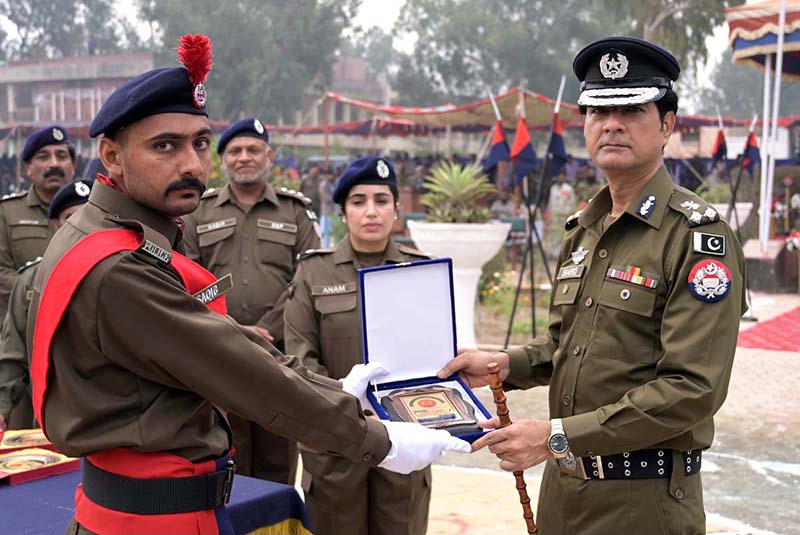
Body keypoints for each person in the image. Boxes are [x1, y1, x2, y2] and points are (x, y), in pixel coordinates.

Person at [28, 34, 469, 535]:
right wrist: (379, 439)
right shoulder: (119, 266)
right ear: (110, 155)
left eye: (198, 142)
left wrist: (334, 388)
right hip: (152, 519)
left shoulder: (107, 234)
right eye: (164, 146)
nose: (193, 164)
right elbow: (236, 367)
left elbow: (229, 340)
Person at [439, 36, 746, 535]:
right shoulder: (586, 229)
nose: (611, 124)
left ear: (667, 125)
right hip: (565, 494)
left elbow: (692, 390)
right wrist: (500, 364)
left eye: (632, 110)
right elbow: (566, 346)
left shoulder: (695, 237)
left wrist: (555, 437)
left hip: (642, 502)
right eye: (598, 110)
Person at [285, 157, 433, 535]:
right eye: (358, 201)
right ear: (342, 212)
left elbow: (434, 359)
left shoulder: (421, 272)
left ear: (397, 211)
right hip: (334, 440)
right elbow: (301, 359)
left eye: (382, 200)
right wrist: (348, 409)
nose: (371, 211)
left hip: (401, 438)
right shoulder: (313, 272)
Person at [182, 117, 320, 485]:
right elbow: (188, 277)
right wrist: (232, 328)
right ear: (221, 159)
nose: (245, 157)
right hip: (221, 352)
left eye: (253, 149)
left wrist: (269, 329)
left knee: (279, 449)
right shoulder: (199, 212)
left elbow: (308, 279)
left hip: (281, 353)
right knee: (229, 449)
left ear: (269, 155)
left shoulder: (294, 212)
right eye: (235, 151)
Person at [0, 179, 92, 431]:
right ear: (55, 226)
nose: (84, 226)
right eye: (71, 218)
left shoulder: (127, 272)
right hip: (51, 420)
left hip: (112, 420)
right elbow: (13, 354)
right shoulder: (31, 280)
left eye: (91, 215)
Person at [0, 125, 75, 322]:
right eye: (43, 157)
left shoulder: (93, 212)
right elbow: (2, 273)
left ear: (73, 165)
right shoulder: (6, 212)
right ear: (27, 167)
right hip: (23, 330)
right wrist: (51, 297)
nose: (54, 164)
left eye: (62, 156)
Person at [547, 169, 577, 257]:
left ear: (565, 177)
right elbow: (550, 203)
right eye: (558, 175)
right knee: (554, 235)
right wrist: (549, 215)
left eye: (562, 175)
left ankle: (563, 255)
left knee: (564, 236)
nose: (560, 177)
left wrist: (566, 213)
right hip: (554, 217)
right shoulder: (553, 188)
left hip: (565, 217)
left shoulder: (568, 189)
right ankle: (554, 254)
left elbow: (572, 203)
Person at [318, 167, 337, 247]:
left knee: (331, 231)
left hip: (332, 211)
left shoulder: (331, 184)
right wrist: (335, 198)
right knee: (326, 232)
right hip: (327, 211)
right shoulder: (324, 185)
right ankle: (325, 246)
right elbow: (325, 198)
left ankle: (329, 245)